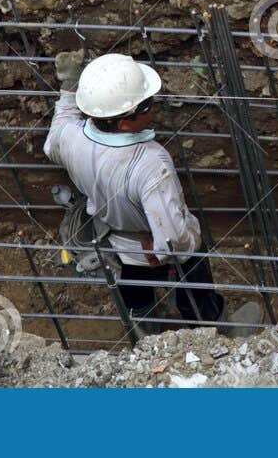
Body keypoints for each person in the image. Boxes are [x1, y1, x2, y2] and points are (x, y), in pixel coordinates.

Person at [44, 52, 260, 334]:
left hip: (114, 242)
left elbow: (59, 128)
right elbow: (173, 241)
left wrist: (70, 88)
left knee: (134, 290)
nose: (153, 106)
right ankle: (217, 331)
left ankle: (149, 334)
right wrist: (190, 239)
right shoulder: (150, 163)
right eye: (147, 105)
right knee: (193, 282)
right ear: (124, 122)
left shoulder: (69, 137)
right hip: (152, 251)